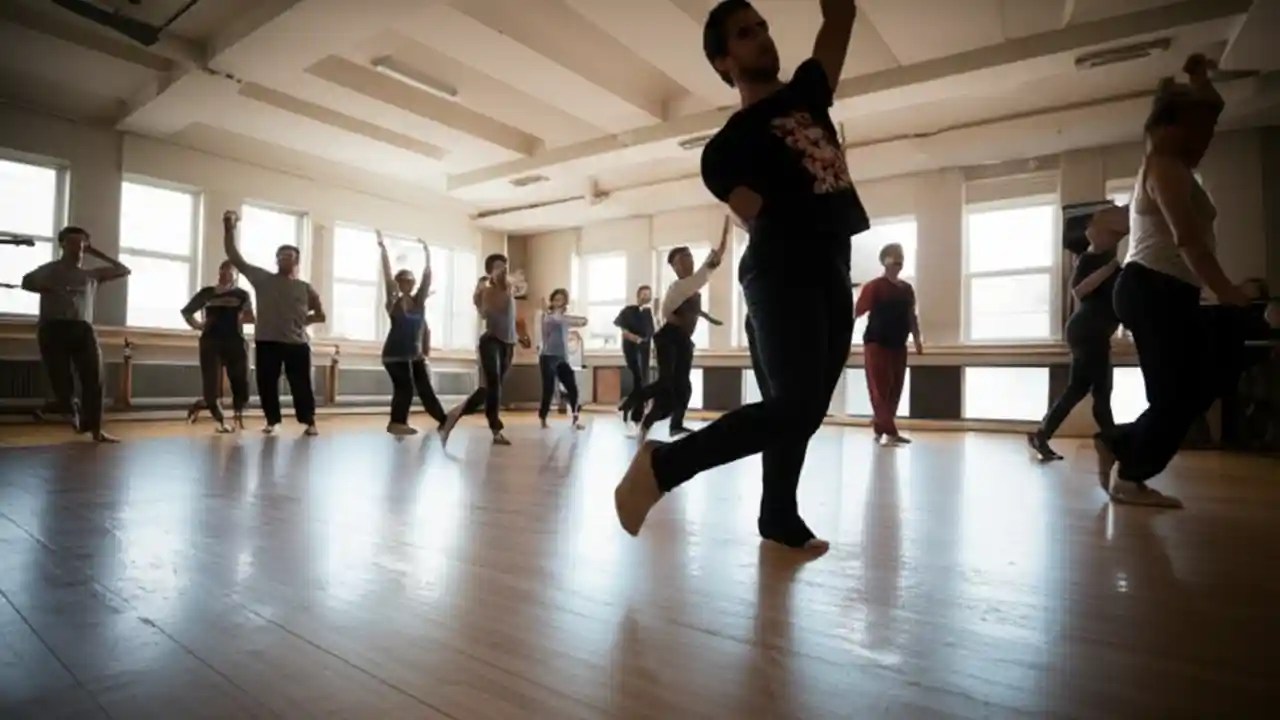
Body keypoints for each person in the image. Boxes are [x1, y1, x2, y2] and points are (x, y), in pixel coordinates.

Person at [614, 0, 867, 551]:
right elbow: (756, 213)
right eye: (745, 34)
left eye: (763, 27)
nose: (761, 38)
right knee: (796, 405)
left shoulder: (808, 92)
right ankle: (663, 466)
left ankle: (777, 515)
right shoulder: (727, 148)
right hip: (782, 268)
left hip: (833, 262)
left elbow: (839, 20)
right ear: (723, 61)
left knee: (799, 411)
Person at [1093, 54, 1250, 508]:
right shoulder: (1163, 165)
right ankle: (1128, 473)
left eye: (1211, 131)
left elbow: (1211, 108)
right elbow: (1188, 239)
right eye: (1200, 131)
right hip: (1151, 288)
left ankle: (1121, 448)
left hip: (1167, 291)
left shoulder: (1177, 164)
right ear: (1171, 126)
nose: (1207, 140)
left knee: (1193, 388)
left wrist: (1201, 80)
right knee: (1177, 395)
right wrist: (1226, 291)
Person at [1028, 209, 1124, 460]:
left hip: (1093, 331)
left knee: (1080, 389)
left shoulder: (1117, 267)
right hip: (1087, 330)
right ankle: (1114, 446)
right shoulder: (1091, 259)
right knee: (1101, 390)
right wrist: (1112, 267)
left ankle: (1042, 434)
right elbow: (1079, 291)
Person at [21, 226, 131, 443]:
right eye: (72, 242)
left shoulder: (92, 275)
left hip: (83, 329)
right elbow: (26, 281)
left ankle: (95, 429)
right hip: (53, 329)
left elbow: (123, 269)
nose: (77, 247)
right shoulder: (51, 269)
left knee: (94, 379)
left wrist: (95, 252)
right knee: (62, 382)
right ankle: (69, 410)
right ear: (62, 244)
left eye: (81, 243)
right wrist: (47, 288)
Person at [221, 210, 326, 437]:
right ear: (275, 260)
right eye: (280, 255)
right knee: (267, 383)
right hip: (268, 342)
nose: (284, 258)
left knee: (301, 385)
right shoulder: (263, 279)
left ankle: (309, 422)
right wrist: (229, 227)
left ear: (296, 260)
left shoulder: (305, 287)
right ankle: (272, 421)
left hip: (296, 344)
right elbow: (234, 256)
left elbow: (320, 314)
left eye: (288, 255)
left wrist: (301, 322)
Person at [622, 231, 729, 438]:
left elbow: (685, 309)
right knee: (666, 383)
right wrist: (725, 233)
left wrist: (702, 316)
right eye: (683, 259)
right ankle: (633, 400)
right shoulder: (680, 286)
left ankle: (674, 425)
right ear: (674, 266)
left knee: (682, 388)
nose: (689, 262)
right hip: (668, 338)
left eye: (690, 257)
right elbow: (666, 313)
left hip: (683, 340)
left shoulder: (690, 289)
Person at [440, 253, 530, 447]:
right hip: (491, 342)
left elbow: (512, 315)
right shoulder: (489, 291)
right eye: (498, 266)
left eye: (505, 265)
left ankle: (453, 416)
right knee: (494, 385)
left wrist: (521, 336)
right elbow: (485, 313)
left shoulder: (511, 289)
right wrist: (482, 294)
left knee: (487, 389)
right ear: (490, 271)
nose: (504, 269)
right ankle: (496, 429)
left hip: (508, 343)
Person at [377, 231, 447, 436]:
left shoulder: (418, 302)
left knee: (425, 388)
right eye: (403, 281)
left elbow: (427, 279)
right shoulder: (394, 302)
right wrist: (383, 249)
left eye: (410, 281)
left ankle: (444, 419)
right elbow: (387, 276)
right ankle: (397, 423)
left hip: (415, 354)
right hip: (395, 355)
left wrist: (428, 253)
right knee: (404, 387)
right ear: (398, 283)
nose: (407, 284)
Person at [855, 242, 922, 447]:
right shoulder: (874, 286)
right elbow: (857, 311)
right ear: (884, 260)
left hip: (898, 345)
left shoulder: (907, 289)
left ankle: (881, 427)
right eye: (894, 256)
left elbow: (912, 316)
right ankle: (890, 432)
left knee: (895, 388)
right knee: (880, 389)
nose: (898, 259)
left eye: (901, 255)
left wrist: (917, 339)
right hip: (876, 343)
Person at [180, 260, 255, 433]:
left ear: (235, 276)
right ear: (218, 273)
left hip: (235, 341)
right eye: (222, 271)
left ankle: (238, 416)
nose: (225, 275)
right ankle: (220, 420)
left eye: (230, 272)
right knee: (211, 385)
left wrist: (241, 317)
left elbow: (251, 317)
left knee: (241, 381)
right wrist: (198, 325)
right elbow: (187, 311)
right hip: (211, 342)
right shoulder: (207, 293)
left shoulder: (242, 294)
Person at [537, 288, 588, 429]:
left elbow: (581, 322)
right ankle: (543, 418)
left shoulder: (564, 319)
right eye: (556, 299)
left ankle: (576, 418)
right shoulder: (547, 317)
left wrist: (580, 321)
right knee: (548, 388)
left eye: (562, 300)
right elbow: (554, 321)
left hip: (562, 357)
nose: (559, 302)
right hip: (547, 357)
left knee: (572, 387)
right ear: (552, 301)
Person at [614, 286, 656, 432]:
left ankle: (627, 408)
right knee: (639, 379)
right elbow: (624, 332)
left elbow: (653, 332)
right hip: (632, 349)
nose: (646, 297)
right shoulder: (628, 311)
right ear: (638, 296)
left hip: (645, 350)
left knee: (643, 381)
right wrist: (635, 339)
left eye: (648, 295)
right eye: (643, 294)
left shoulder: (649, 313)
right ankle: (635, 416)